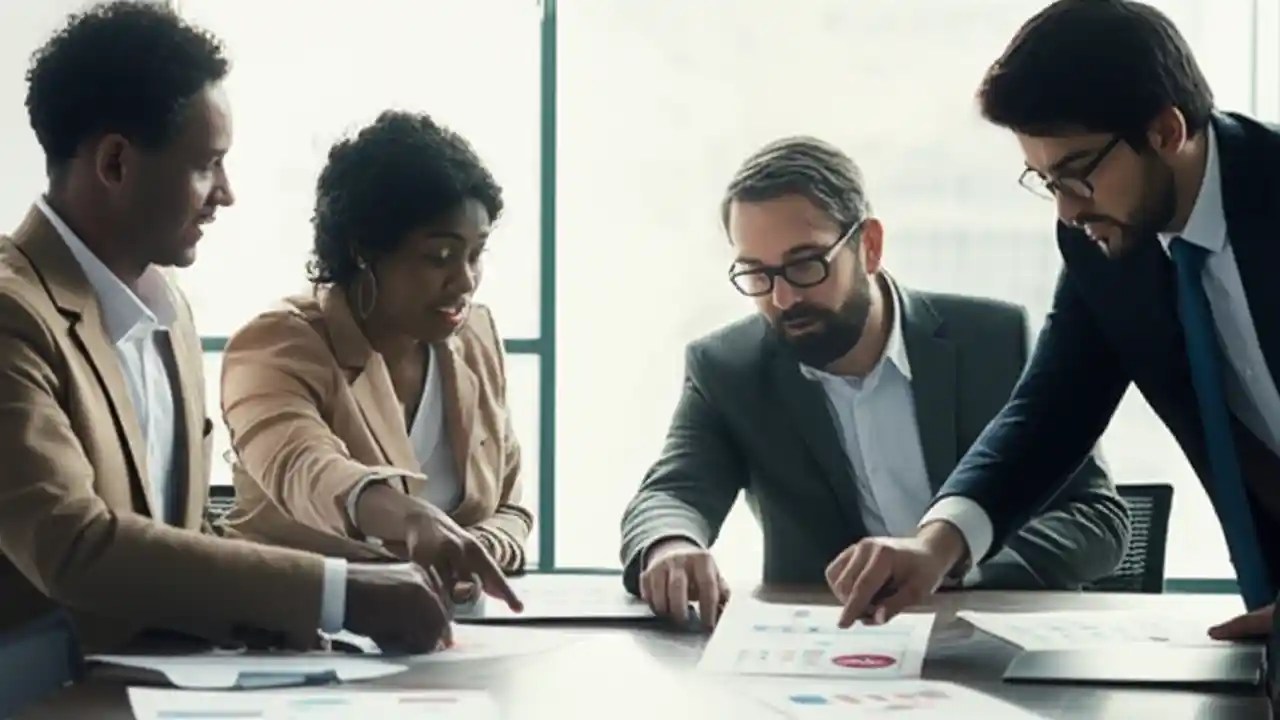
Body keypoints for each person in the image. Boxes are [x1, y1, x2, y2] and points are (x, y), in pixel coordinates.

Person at [0, 1, 484, 654]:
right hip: (39, 692)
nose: (225, 193)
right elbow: (74, 546)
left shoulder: (167, 310)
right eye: (207, 164)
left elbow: (184, 537)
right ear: (115, 163)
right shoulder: (13, 314)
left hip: (161, 684)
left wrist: (313, 611)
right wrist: (338, 594)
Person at [829, 0, 1280, 640]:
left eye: (1076, 174)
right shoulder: (1102, 241)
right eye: (1045, 181)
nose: (1067, 211)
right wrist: (936, 545)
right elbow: (1053, 406)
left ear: (1165, 130)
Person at [620, 136, 1131, 628]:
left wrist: (951, 563)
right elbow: (671, 494)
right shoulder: (728, 369)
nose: (782, 299)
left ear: (869, 246)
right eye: (756, 274)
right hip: (826, 652)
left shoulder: (993, 342)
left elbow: (1097, 521)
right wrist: (671, 546)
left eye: (805, 265)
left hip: (988, 645)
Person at [219, 111, 533, 600]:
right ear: (364, 250)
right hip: (291, 620)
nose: (466, 280)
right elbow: (304, 468)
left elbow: (510, 507)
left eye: (476, 254)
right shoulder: (278, 345)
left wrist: (472, 551)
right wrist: (408, 518)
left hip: (443, 626)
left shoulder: (475, 339)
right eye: (440, 257)